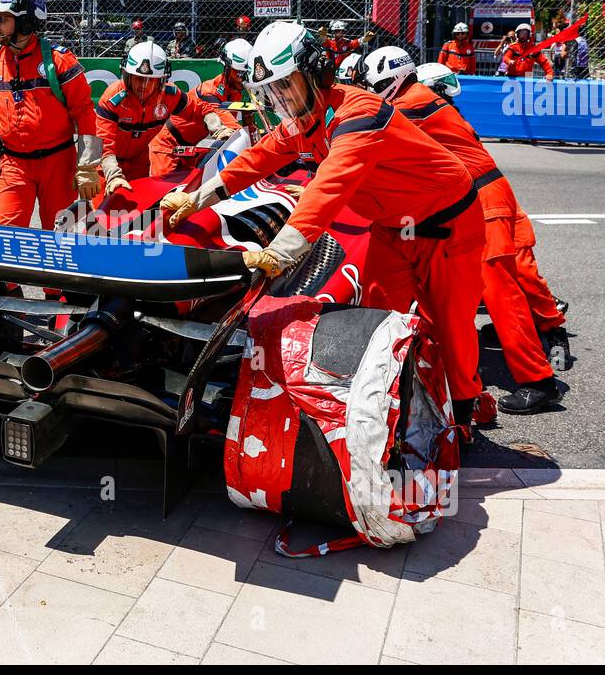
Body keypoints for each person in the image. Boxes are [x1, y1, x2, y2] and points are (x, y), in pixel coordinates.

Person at [162, 23, 487, 436]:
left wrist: (280, 252)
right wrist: (200, 195)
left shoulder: (358, 113)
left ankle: (463, 420)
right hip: (394, 228)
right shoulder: (308, 118)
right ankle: (391, 409)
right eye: (274, 91)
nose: (281, 99)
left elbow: (328, 188)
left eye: (288, 86)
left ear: (315, 72)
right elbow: (260, 156)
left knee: (452, 328)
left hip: (449, 225)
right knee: (376, 319)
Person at [400, 59, 565, 413]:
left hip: (482, 197)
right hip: (479, 196)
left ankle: (539, 380)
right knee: (503, 283)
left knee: (500, 290)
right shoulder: (433, 108)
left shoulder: (413, 104)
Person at [0, 0, 100, 229]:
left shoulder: (58, 61)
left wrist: (87, 166)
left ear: (24, 21)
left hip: (58, 163)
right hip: (14, 164)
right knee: (8, 234)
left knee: (60, 236)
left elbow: (84, 111)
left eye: (2, 18)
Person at [94, 40, 225, 194]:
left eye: (151, 80)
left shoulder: (170, 95)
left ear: (161, 80)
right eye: (138, 78)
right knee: (102, 214)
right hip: (106, 166)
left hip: (140, 163)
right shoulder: (113, 99)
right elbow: (103, 143)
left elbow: (201, 109)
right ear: (127, 75)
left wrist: (218, 127)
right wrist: (113, 176)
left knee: (139, 213)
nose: (143, 86)